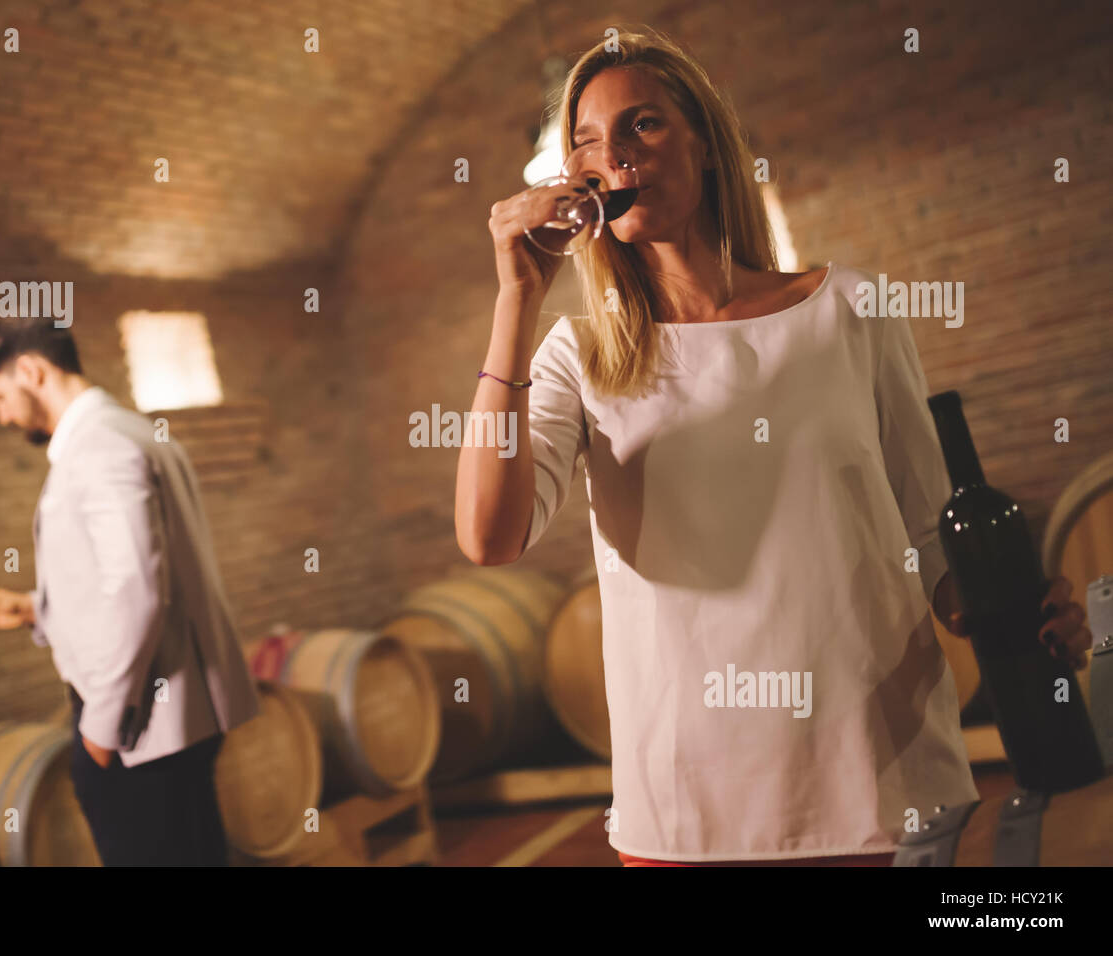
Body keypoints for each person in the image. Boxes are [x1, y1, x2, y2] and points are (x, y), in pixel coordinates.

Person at [455, 28, 1092, 866]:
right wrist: (517, 301)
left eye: (641, 125)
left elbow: (931, 537)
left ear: (709, 147)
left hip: (881, 778)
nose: (612, 156)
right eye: (586, 141)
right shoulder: (579, 354)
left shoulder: (852, 309)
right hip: (690, 804)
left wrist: (1016, 615)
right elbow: (489, 538)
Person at [0, 316, 261, 865]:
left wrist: (98, 730)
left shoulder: (98, 446)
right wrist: (30, 610)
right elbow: (137, 579)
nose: (1, 413)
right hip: (175, 717)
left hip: (138, 727)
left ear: (30, 369)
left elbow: (136, 592)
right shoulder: (135, 430)